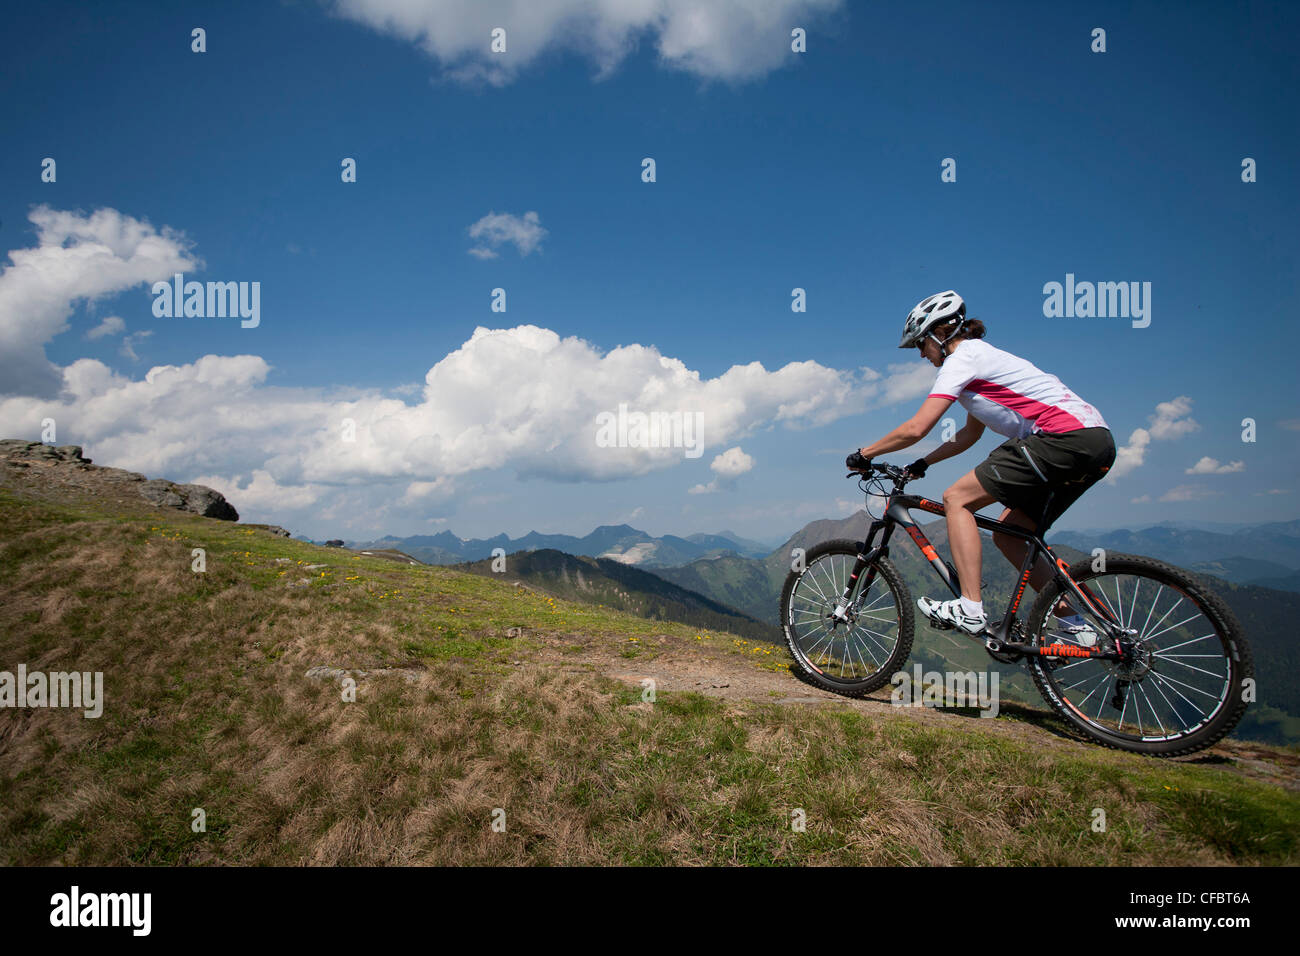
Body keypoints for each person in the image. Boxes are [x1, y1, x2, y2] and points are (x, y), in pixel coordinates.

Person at [848, 290, 1116, 638]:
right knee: (1011, 535)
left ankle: (970, 608)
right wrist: (923, 463)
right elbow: (969, 435)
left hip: (1060, 437)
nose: (919, 354)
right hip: (1094, 442)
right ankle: (1073, 624)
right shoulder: (979, 363)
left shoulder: (962, 361)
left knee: (957, 498)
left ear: (940, 333)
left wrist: (865, 453)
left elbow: (917, 427)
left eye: (920, 344)